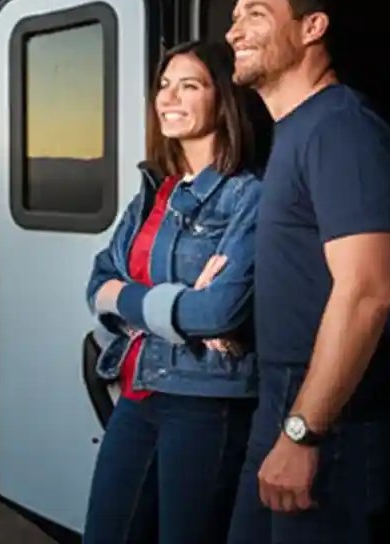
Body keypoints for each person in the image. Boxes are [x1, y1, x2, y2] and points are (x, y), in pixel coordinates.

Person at [223, 0, 390, 544]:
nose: (234, 32)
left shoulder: (339, 126)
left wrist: (303, 434)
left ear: (311, 27)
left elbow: (367, 293)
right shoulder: (295, 131)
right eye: (233, 18)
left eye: (255, 14)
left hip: (330, 422)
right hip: (282, 399)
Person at [81, 39, 263, 544]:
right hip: (139, 392)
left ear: (221, 98)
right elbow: (97, 285)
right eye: (164, 86)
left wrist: (132, 297)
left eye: (190, 85)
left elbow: (220, 311)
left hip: (206, 402)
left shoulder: (246, 193)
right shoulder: (155, 190)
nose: (170, 98)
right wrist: (179, 305)